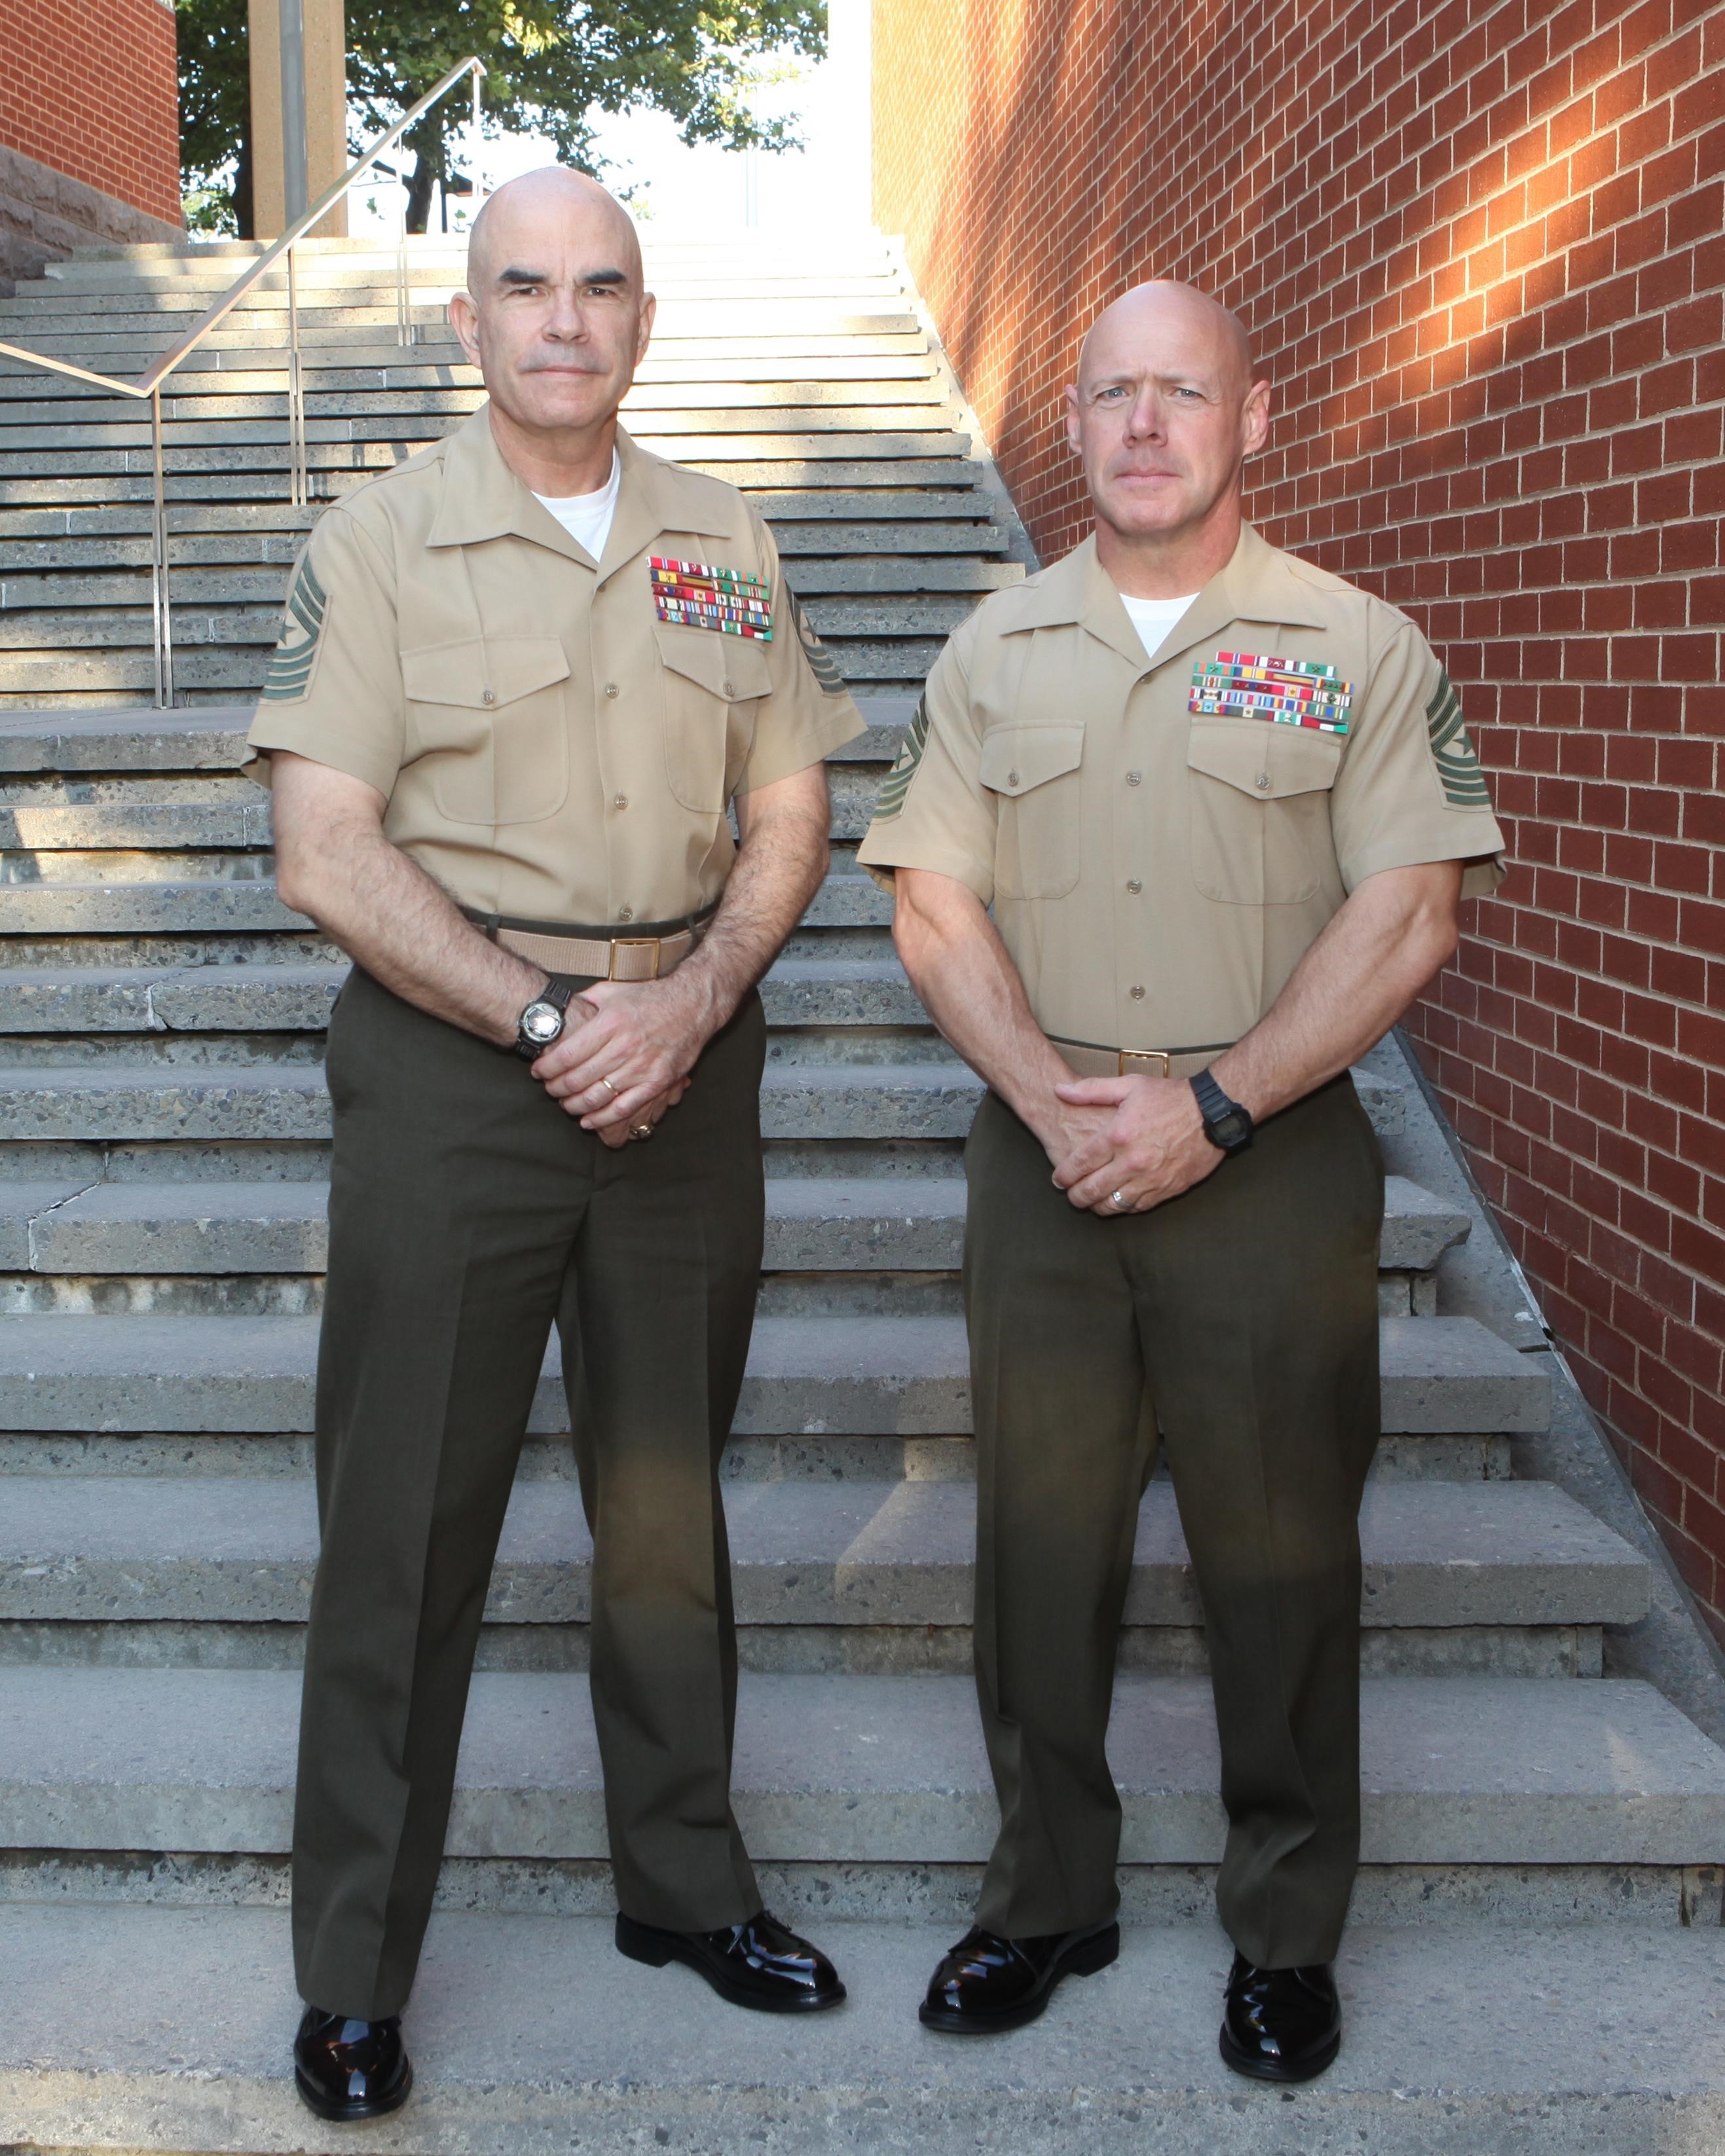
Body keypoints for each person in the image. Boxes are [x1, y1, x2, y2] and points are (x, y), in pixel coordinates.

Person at [247, 166, 866, 2123]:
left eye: (601, 284)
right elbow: (322, 843)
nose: (564, 319)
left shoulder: (724, 536)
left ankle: (682, 1889)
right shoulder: (380, 536)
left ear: (642, 316)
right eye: (524, 284)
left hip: (684, 1069)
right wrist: (539, 1018)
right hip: (456, 1080)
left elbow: (789, 810)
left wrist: (679, 1008)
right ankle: (355, 1968)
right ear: (468, 321)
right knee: (404, 1528)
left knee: (668, 1514)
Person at [857, 281, 1505, 2081]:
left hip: (1271, 1159)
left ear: (1253, 417)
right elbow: (932, 901)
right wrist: (1056, 1107)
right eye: (1113, 396)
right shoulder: (988, 651)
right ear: (1068, 427)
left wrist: (1211, 1108)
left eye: (1184, 394)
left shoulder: (1358, 646)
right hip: (1040, 1141)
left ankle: (1282, 1930)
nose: (1146, 426)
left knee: (1279, 1557)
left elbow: (1408, 914)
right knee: (1036, 1550)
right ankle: (1043, 1895)